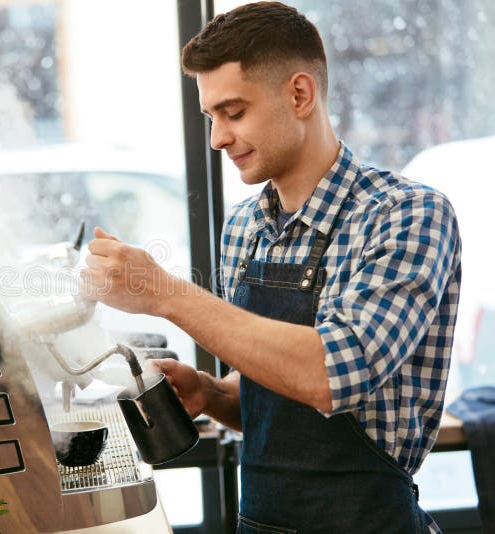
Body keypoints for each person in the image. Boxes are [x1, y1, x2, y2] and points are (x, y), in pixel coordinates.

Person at [82, 2, 462, 533]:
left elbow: (334, 374)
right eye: (210, 118)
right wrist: (213, 394)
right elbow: (275, 395)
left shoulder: (407, 215)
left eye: (234, 113)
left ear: (300, 94)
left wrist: (164, 293)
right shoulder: (243, 228)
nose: (217, 138)